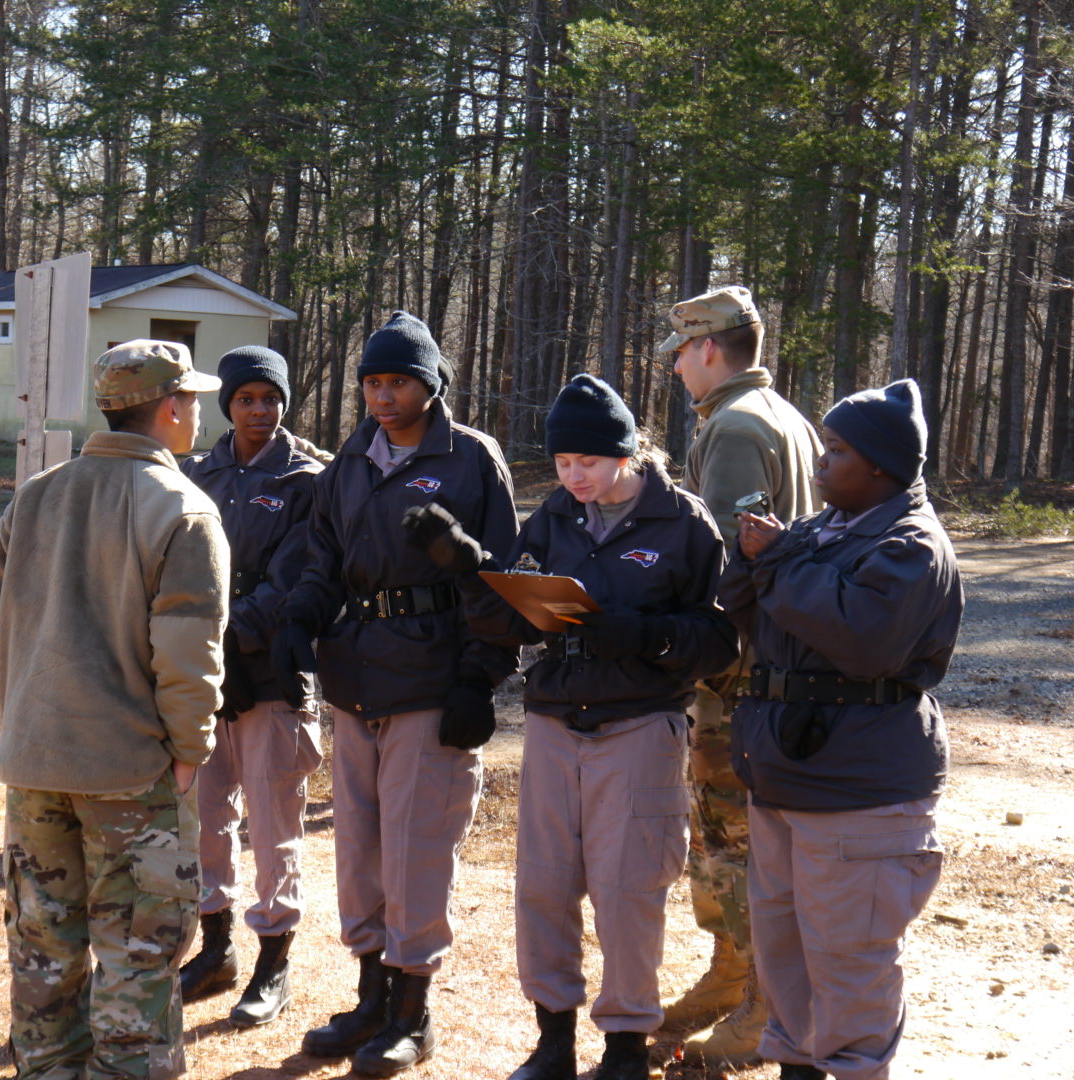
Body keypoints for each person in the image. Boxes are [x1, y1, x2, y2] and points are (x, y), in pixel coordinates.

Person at [406, 374, 738, 1080]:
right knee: (545, 888)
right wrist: (469, 567)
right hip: (557, 722)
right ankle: (552, 1040)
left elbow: (721, 640)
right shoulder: (554, 517)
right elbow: (512, 615)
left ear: (627, 452)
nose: (574, 476)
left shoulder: (683, 523)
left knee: (628, 890)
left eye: (588, 462)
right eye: (562, 463)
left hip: (640, 726)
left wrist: (644, 635)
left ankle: (623, 1046)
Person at [0, 339, 228, 1080]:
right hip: (132, 773)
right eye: (193, 401)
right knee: (137, 962)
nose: (197, 414)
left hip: (37, 761)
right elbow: (188, 656)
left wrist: (30, 704)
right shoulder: (183, 509)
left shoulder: (39, 493)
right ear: (172, 409)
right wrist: (188, 753)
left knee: (42, 954)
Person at [273, 311, 519, 1076]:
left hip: (434, 677)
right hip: (357, 677)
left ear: (430, 385)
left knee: (418, 853)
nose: (383, 395)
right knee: (360, 851)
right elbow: (323, 561)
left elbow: (503, 577)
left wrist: (480, 676)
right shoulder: (349, 460)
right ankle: (370, 998)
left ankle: (414, 1013)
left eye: (399, 381)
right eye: (373, 382)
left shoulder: (472, 460)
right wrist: (300, 621)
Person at [721, 379, 962, 1080]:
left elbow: (861, 638)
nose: (821, 463)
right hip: (786, 780)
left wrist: (781, 561)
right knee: (786, 956)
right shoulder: (823, 528)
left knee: (849, 964)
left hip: (862, 793)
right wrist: (749, 556)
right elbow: (744, 607)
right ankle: (797, 1065)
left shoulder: (911, 544)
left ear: (881, 467)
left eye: (837, 450)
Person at [657, 285, 823, 1064]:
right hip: (774, 660)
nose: (678, 368)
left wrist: (700, 657)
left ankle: (762, 1001)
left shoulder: (732, 427)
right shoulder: (783, 415)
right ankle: (732, 975)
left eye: (682, 353)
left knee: (733, 834)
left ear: (710, 350)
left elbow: (724, 561)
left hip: (741, 673)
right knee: (734, 832)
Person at [177, 346, 326, 1028]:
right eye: (246, 399)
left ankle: (273, 962)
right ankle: (216, 950)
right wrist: (202, 650)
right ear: (226, 404)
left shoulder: (307, 479)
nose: (259, 410)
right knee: (206, 817)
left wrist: (237, 640)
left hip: (270, 675)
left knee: (272, 823)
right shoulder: (195, 473)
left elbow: (299, 572)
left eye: (270, 398)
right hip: (204, 676)